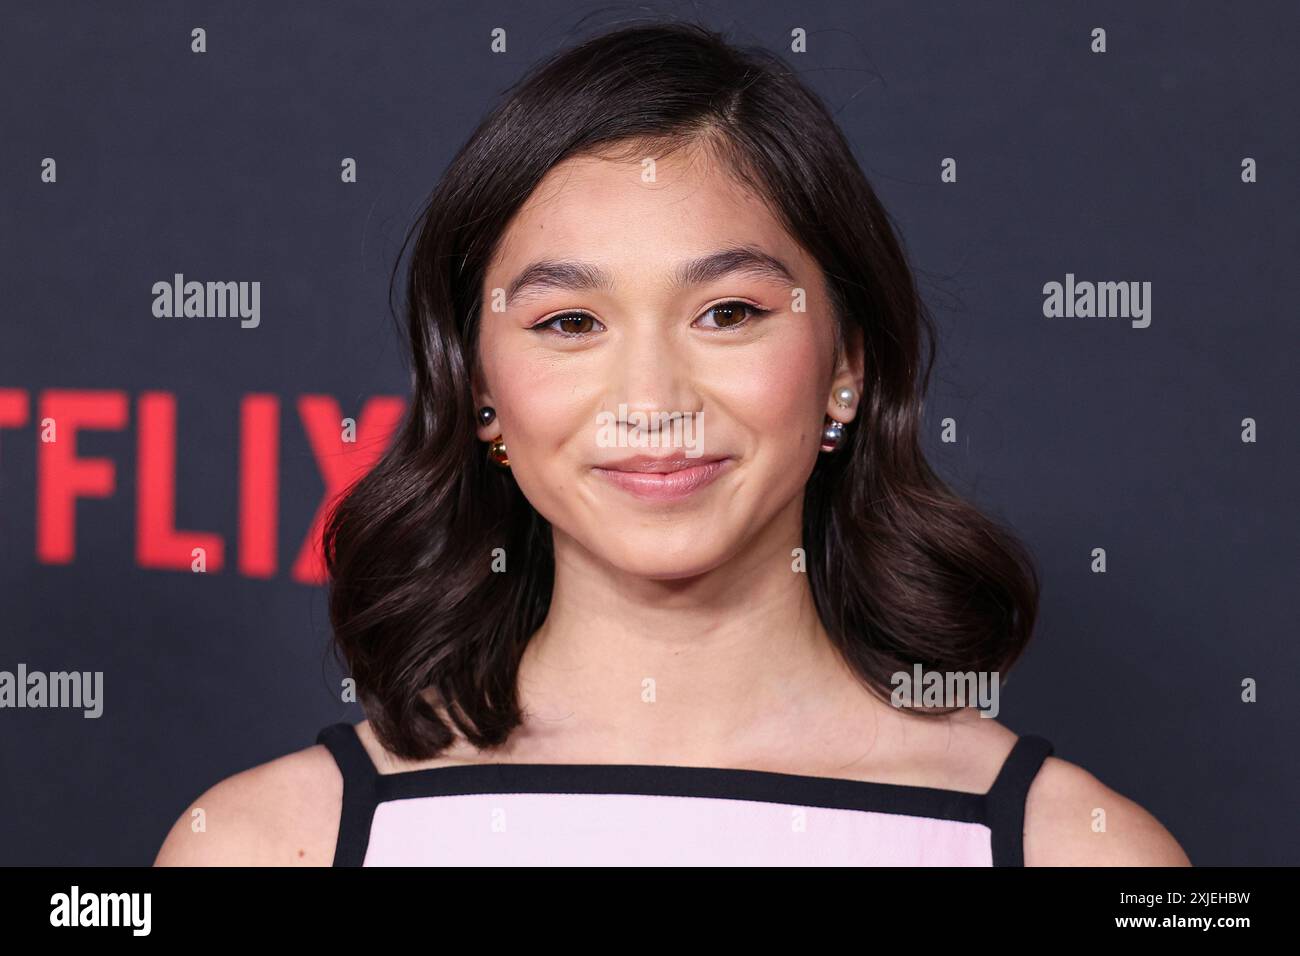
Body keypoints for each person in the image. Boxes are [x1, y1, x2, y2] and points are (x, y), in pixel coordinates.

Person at [156, 20, 1189, 866]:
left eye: (729, 312)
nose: (650, 397)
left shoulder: (1078, 851)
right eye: (568, 322)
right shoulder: (267, 841)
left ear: (849, 365)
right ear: (479, 392)